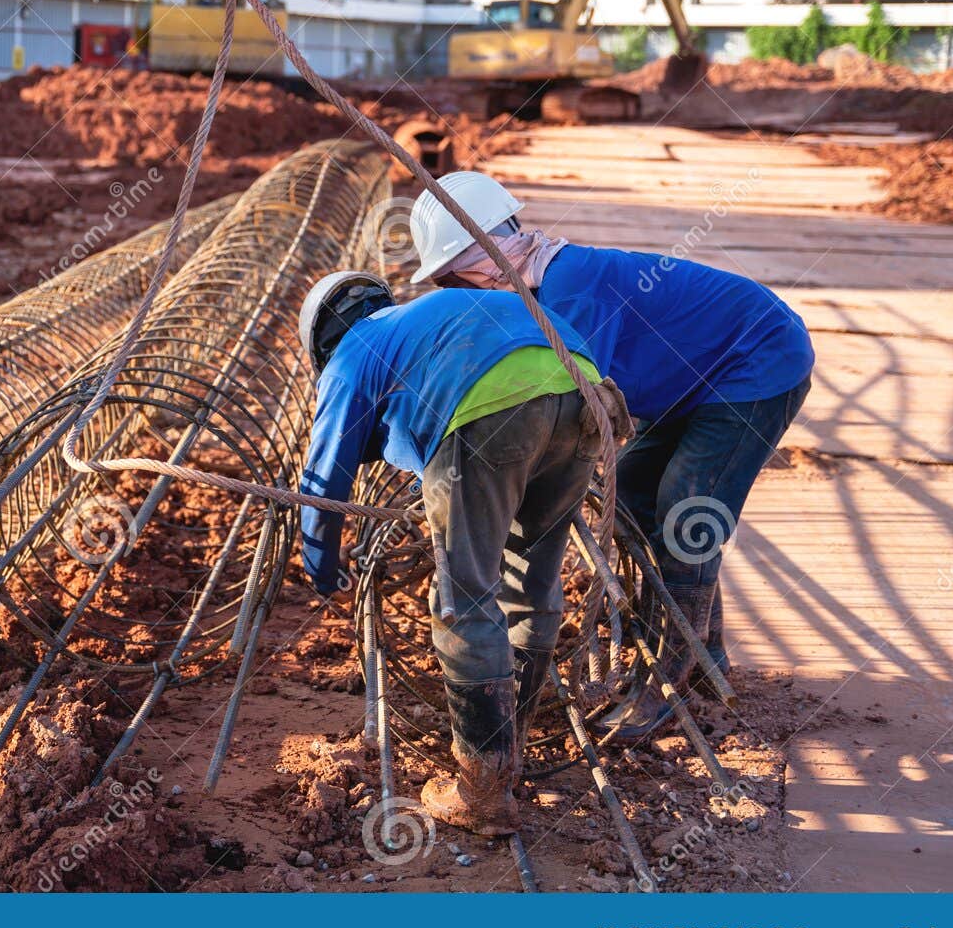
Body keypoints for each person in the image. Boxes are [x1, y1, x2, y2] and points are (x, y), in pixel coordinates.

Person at [408, 171, 815, 740]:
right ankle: (704, 655)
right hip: (691, 382)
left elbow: (582, 406)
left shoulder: (569, 287)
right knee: (638, 492)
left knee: (686, 508)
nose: (456, 291)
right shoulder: (538, 285)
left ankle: (668, 686)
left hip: (755, 362)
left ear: (480, 256)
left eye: (452, 277)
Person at [297, 270, 620, 834]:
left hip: (492, 407)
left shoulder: (351, 356)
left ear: (322, 342)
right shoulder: (427, 320)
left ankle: (484, 790)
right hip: (585, 392)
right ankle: (508, 744)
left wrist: (321, 571)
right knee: (530, 574)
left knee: (464, 593)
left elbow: (322, 483)